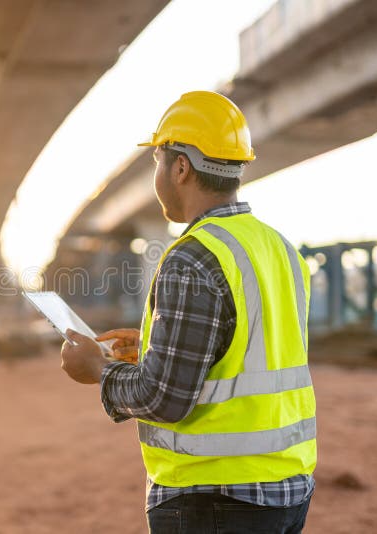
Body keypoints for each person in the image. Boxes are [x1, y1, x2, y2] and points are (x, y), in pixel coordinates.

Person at [60, 91, 316, 533]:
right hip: (285, 490)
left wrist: (98, 371)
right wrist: (155, 348)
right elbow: (247, 350)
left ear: (180, 167)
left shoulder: (193, 257)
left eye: (157, 161)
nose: (155, 174)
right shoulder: (279, 248)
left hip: (214, 497)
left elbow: (165, 398)